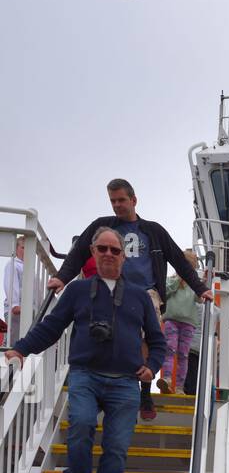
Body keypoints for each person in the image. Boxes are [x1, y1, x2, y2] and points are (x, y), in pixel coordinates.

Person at [5, 227, 166, 473]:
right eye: (102, 249)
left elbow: (157, 340)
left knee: (117, 446)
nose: (108, 254)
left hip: (125, 381)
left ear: (123, 256)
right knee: (80, 424)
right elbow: (51, 327)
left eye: (115, 250)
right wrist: (21, 349)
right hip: (85, 375)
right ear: (92, 252)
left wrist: (152, 366)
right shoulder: (78, 291)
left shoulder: (140, 297)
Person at [48, 179, 212, 420]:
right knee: (103, 333)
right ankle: (98, 386)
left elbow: (178, 259)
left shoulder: (153, 231)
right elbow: (80, 251)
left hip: (146, 292)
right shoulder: (102, 227)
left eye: (121, 200)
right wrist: (62, 278)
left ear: (134, 200)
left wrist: (200, 289)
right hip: (111, 290)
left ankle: (144, 391)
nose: (117, 205)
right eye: (112, 201)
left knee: (147, 337)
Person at [157, 250, 202, 394]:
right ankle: (167, 379)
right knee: (170, 350)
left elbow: (199, 298)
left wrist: (203, 283)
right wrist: (178, 279)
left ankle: (179, 387)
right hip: (172, 320)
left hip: (188, 322)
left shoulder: (194, 284)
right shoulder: (171, 279)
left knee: (183, 355)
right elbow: (165, 291)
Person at [2, 235, 24, 342]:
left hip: (27, 310)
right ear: (16, 249)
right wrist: (14, 304)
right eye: (23, 248)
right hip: (15, 311)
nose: (25, 251)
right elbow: (10, 284)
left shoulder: (31, 267)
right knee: (12, 343)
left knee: (23, 342)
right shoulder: (13, 264)